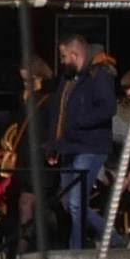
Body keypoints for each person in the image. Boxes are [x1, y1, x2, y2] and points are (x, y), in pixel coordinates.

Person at [52, 32, 119, 247]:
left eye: (63, 56)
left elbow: (108, 107)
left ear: (75, 54)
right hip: (69, 145)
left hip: (90, 145)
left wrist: (80, 121)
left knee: (76, 202)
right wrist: (54, 143)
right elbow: (59, 110)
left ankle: (76, 249)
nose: (61, 61)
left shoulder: (99, 74)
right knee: (67, 201)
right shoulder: (69, 78)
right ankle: (113, 238)